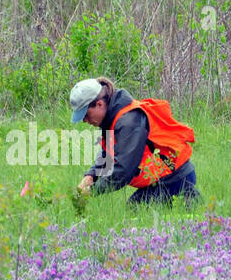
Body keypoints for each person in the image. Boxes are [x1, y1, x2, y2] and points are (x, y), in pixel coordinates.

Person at [69, 77, 199, 206]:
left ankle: (189, 197)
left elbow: (123, 171)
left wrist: (92, 191)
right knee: (136, 207)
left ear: (99, 104)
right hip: (162, 178)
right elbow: (107, 155)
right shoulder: (111, 118)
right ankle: (190, 201)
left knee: (135, 209)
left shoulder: (128, 122)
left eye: (86, 114)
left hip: (175, 177)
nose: (85, 120)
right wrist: (91, 176)